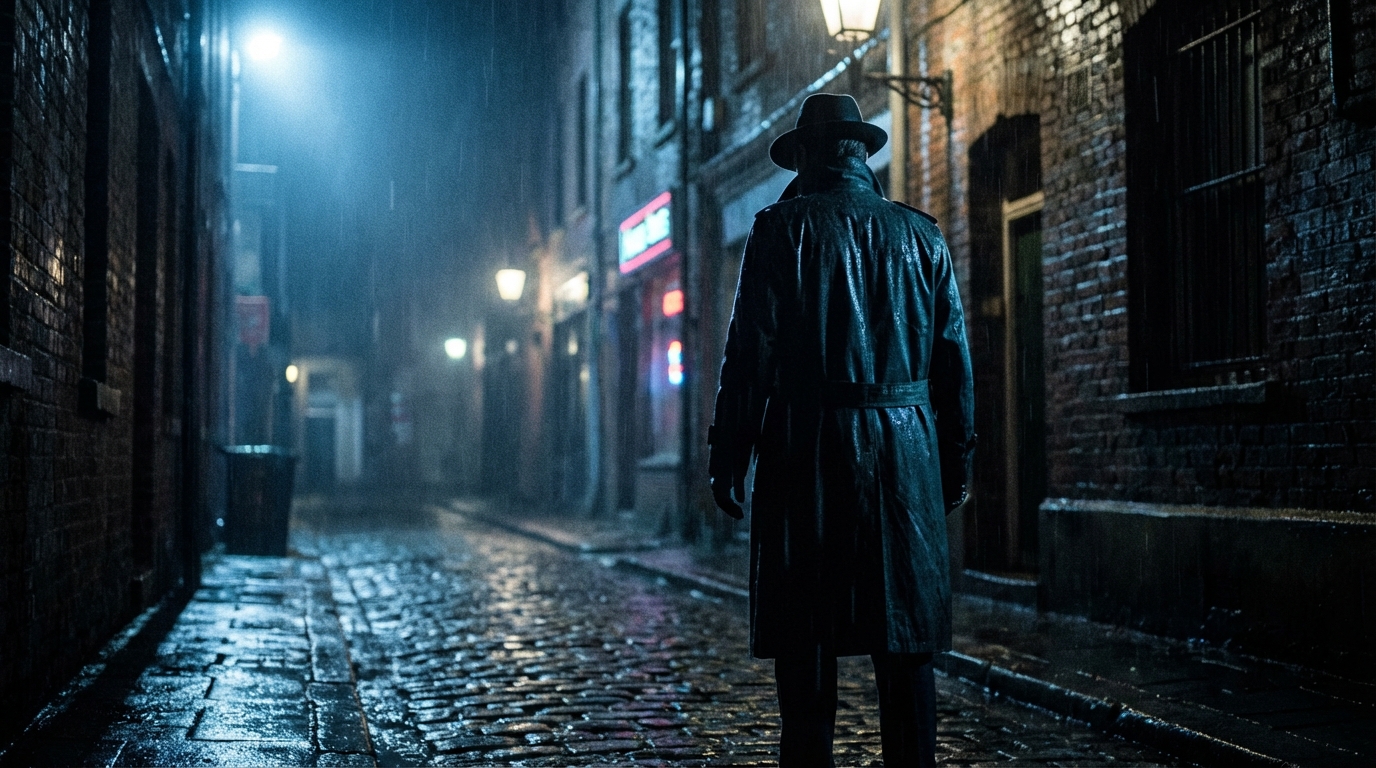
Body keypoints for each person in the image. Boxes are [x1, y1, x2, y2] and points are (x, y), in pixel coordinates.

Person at [708, 93, 976, 767]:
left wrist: (729, 454)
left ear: (806, 156)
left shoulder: (780, 229)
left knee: (807, 651)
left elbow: (750, 356)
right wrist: (955, 460)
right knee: (905, 648)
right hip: (905, 454)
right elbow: (953, 361)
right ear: (860, 154)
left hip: (806, 452)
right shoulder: (922, 235)